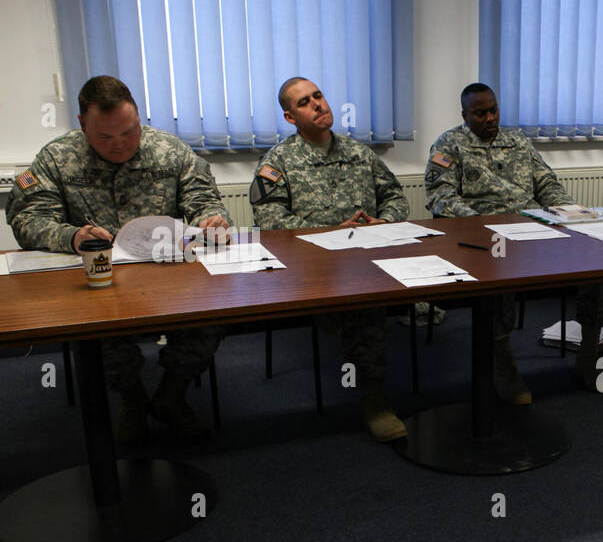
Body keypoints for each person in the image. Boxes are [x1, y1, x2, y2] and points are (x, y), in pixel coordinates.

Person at [5, 75, 229, 442]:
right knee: (98, 331)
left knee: (214, 312)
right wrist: (72, 236)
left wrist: (211, 219)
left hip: (165, 276)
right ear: (82, 124)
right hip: (98, 279)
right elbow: (27, 219)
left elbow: (204, 200)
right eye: (106, 137)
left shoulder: (170, 151)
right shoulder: (57, 158)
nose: (121, 144)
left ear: (139, 117)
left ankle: (171, 395)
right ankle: (133, 398)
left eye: (129, 131)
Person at [249, 77, 409, 442]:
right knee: (364, 304)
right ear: (291, 118)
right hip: (310, 263)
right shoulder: (279, 161)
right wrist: (329, 231)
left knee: (377, 289)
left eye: (319, 96)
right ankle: (375, 398)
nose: (318, 105)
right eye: (305, 102)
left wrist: (385, 219)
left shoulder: (359, 153)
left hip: (366, 255)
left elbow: (395, 197)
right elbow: (270, 220)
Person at [425, 83, 585, 402]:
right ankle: (501, 360)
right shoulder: (449, 144)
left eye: (493, 110)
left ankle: (591, 350)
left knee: (592, 257)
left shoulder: (517, 141)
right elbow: (439, 196)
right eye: (480, 113)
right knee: (500, 271)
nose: (490, 118)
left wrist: (569, 212)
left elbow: (546, 183)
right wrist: (478, 223)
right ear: (465, 115)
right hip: (478, 235)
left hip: (527, 227)